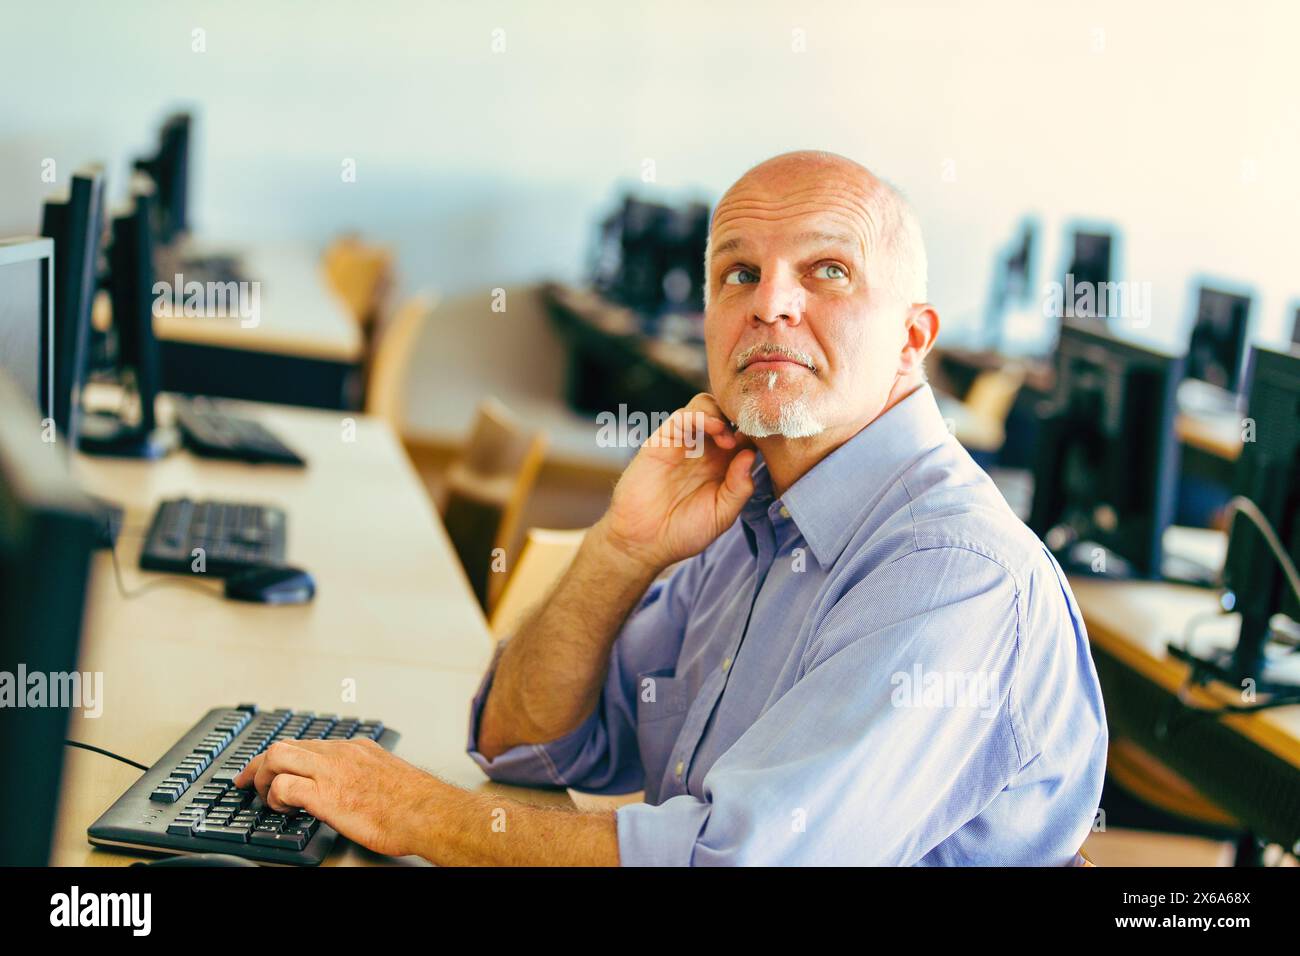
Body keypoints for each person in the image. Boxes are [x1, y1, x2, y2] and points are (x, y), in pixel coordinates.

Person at [237, 150, 1107, 865]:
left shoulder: (953, 574)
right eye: (738, 273)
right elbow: (521, 740)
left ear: (914, 339)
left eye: (827, 270)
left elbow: (738, 864)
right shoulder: (751, 507)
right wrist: (622, 549)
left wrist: (420, 814)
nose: (770, 302)